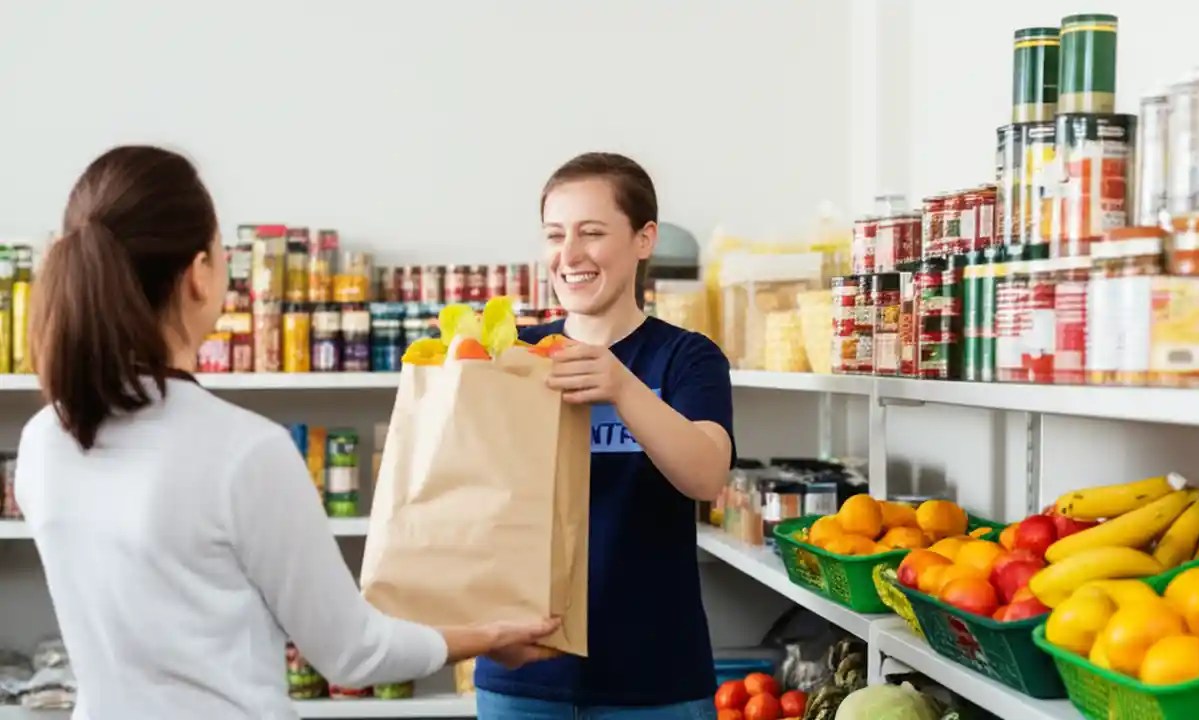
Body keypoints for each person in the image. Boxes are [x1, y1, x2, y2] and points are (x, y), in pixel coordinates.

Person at [15, 145, 559, 719]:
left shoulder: (44, 441)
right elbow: (354, 653)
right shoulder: (241, 451)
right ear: (200, 275)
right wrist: (492, 635)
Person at [474, 152, 735, 719]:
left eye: (592, 232)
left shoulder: (685, 358)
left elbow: (708, 475)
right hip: (521, 676)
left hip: (655, 681)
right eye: (555, 234)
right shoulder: (511, 355)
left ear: (645, 239)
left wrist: (622, 388)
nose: (569, 255)